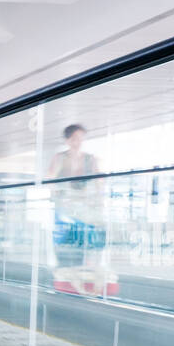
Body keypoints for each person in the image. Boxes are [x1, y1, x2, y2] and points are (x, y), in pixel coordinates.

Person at [47, 124, 109, 294]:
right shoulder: (60, 158)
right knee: (67, 240)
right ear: (68, 140)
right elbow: (50, 179)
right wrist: (60, 192)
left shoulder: (90, 158)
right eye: (75, 138)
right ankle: (67, 273)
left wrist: (99, 198)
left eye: (81, 138)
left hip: (85, 208)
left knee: (84, 239)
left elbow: (99, 180)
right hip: (66, 207)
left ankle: (82, 275)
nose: (78, 142)